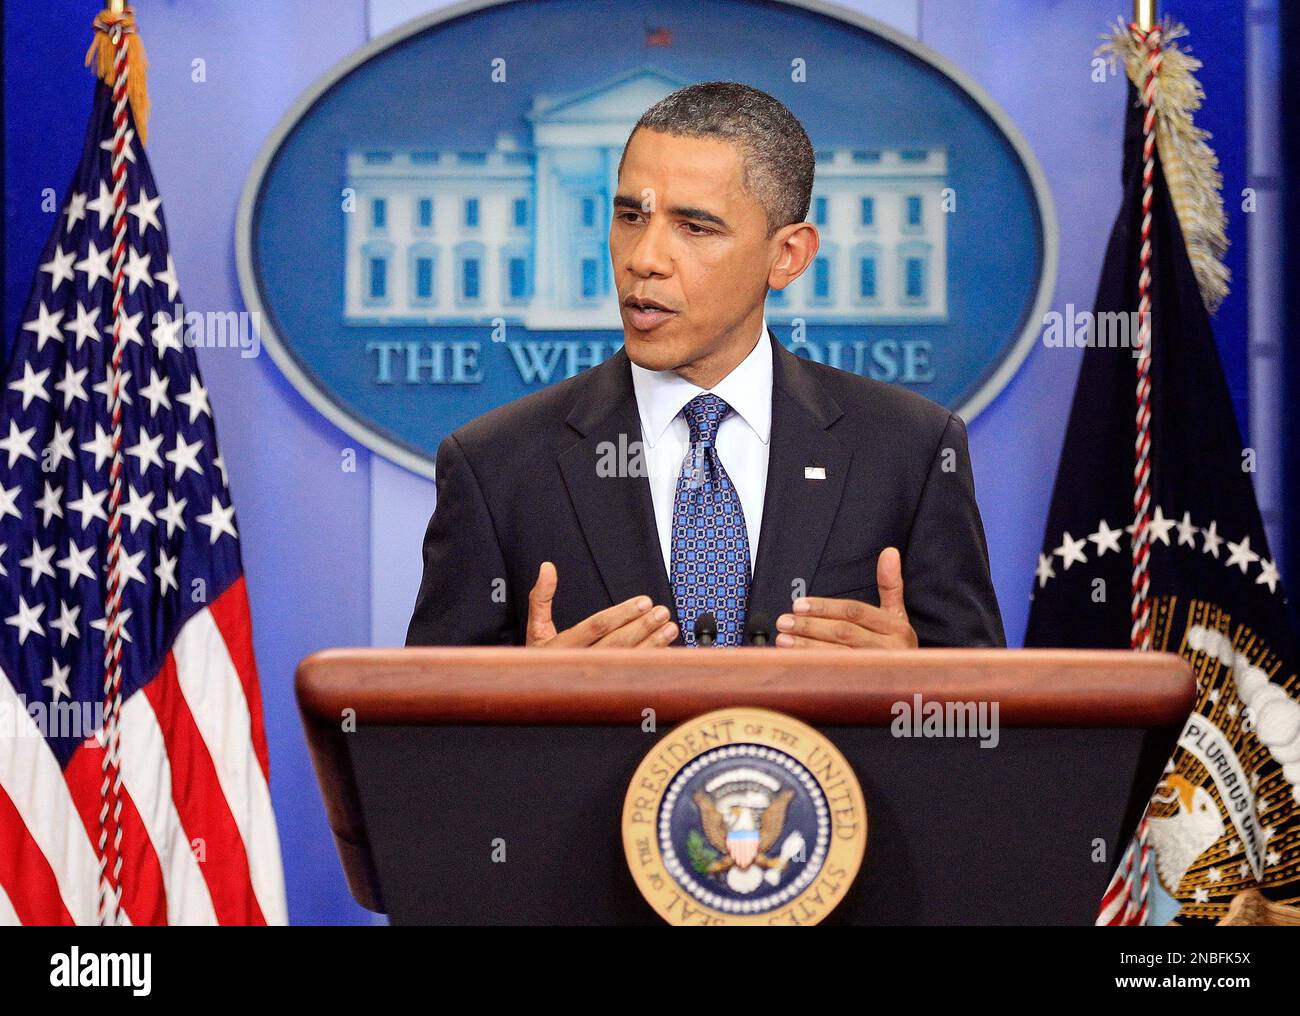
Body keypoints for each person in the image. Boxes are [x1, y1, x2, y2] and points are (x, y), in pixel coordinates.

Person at [406, 81, 1005, 650]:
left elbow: (988, 732)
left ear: (788, 256)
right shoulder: (495, 466)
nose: (644, 260)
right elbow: (423, 742)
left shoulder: (911, 451)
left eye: (694, 227)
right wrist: (525, 703)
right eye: (631, 218)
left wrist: (921, 683)